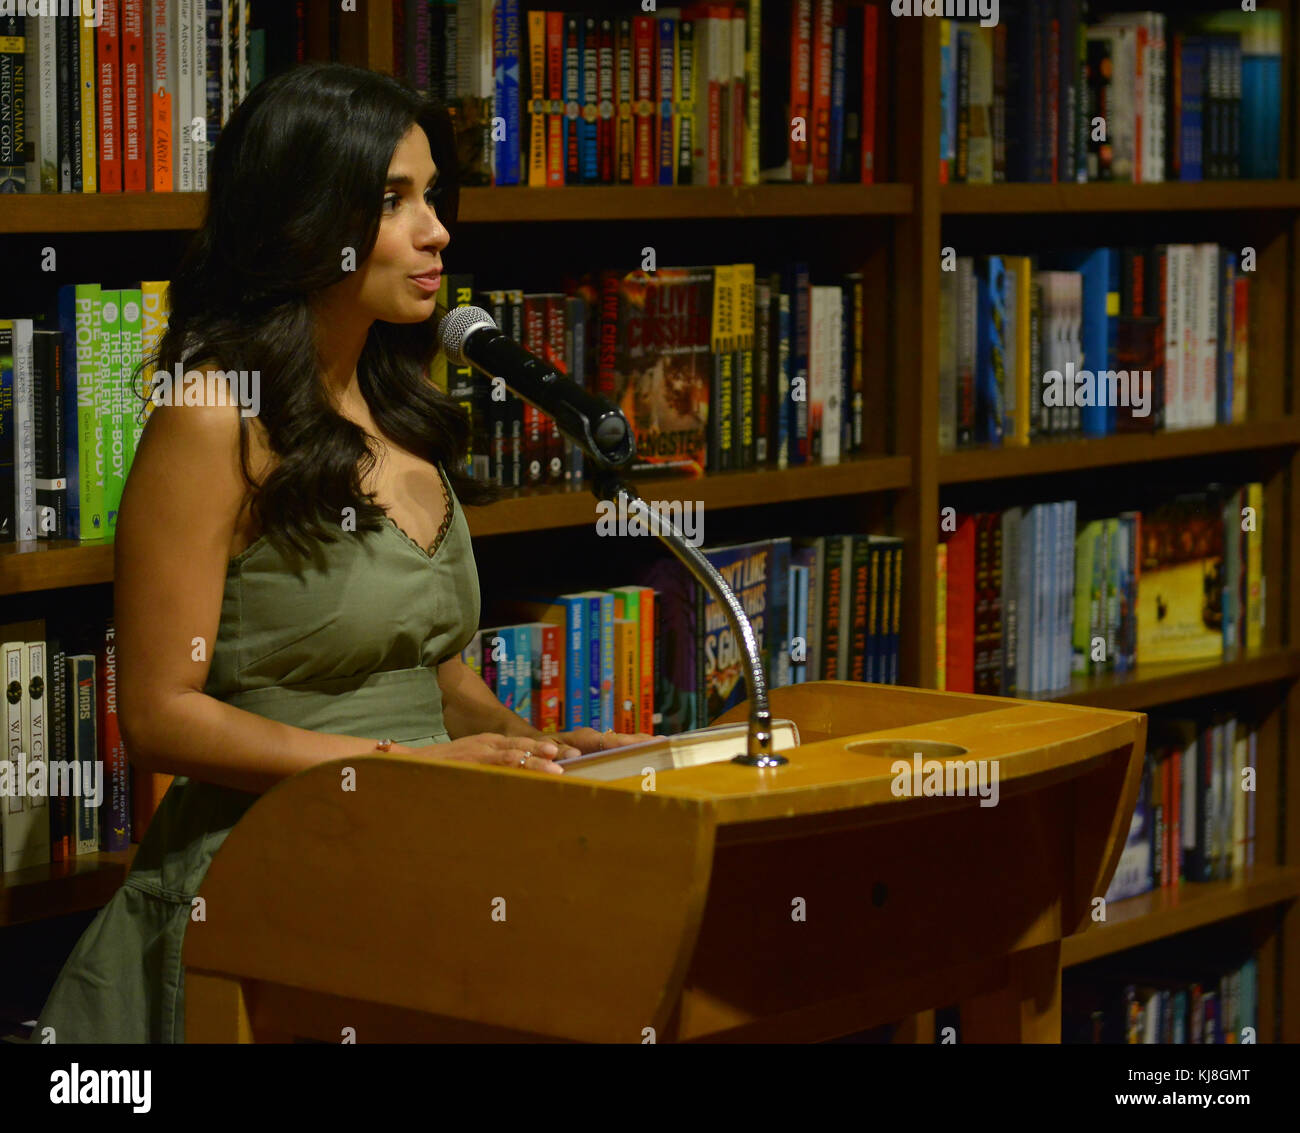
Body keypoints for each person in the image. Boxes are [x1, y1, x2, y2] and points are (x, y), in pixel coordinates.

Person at [30, 62, 647, 1044]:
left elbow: (423, 659)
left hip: (418, 848)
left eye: (432, 196)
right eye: (395, 199)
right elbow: (159, 714)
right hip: (263, 869)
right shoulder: (211, 416)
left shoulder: (399, 409)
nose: (435, 229)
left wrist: (537, 749)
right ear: (312, 216)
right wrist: (399, 766)